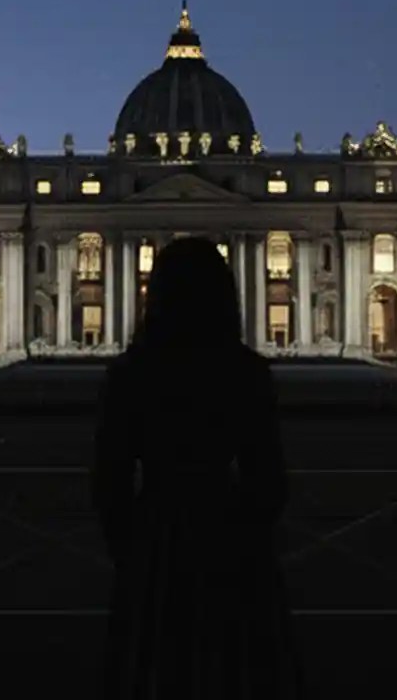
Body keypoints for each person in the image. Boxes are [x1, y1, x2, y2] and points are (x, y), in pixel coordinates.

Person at [92, 237, 302, 698]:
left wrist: (131, 548)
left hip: (157, 533)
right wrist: (247, 537)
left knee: (151, 659)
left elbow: (108, 481)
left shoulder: (130, 374)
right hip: (229, 533)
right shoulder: (246, 373)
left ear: (156, 294)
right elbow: (269, 480)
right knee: (235, 663)